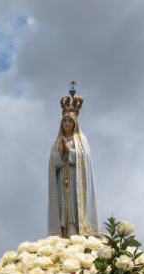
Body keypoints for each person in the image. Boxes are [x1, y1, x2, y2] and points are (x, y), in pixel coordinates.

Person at [48, 85, 98, 238]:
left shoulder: (81, 141)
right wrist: (61, 153)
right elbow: (52, 163)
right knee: (64, 209)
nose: (67, 123)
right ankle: (63, 236)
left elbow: (85, 159)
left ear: (75, 123)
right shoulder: (57, 143)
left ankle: (78, 234)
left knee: (75, 211)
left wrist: (70, 152)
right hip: (62, 184)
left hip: (77, 182)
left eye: (70, 121)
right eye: (65, 121)